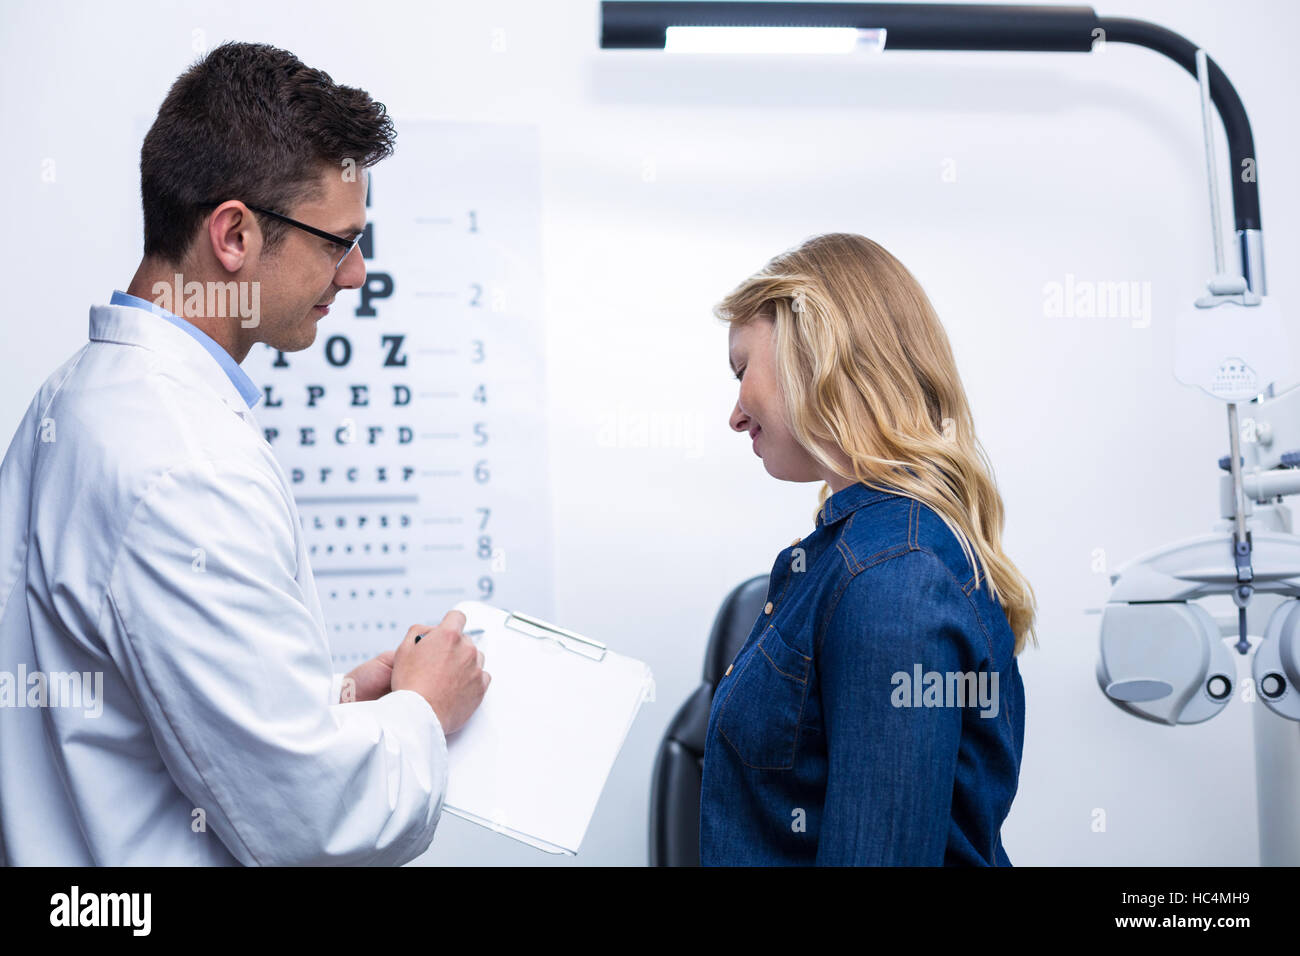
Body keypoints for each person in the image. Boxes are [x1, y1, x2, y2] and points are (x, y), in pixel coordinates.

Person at [0, 42, 488, 865]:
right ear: (233, 234)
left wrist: (329, 703)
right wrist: (423, 712)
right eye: (339, 242)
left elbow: (130, 712)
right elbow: (312, 822)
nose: (357, 273)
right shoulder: (186, 462)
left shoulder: (74, 399)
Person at [699, 233, 1036, 865]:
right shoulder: (857, 554)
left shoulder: (893, 579)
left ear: (812, 349)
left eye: (743, 369)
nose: (736, 415)